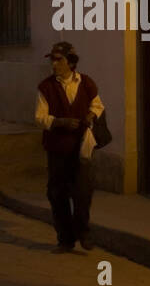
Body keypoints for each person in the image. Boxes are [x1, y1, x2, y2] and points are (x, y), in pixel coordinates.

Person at [34, 41, 104, 253]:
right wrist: (60, 122)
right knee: (58, 193)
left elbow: (98, 105)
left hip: (81, 148)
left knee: (83, 192)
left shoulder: (86, 83)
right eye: (53, 60)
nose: (54, 64)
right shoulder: (46, 87)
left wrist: (91, 115)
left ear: (71, 62)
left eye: (59, 60)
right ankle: (65, 239)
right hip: (57, 148)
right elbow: (39, 117)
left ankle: (83, 232)